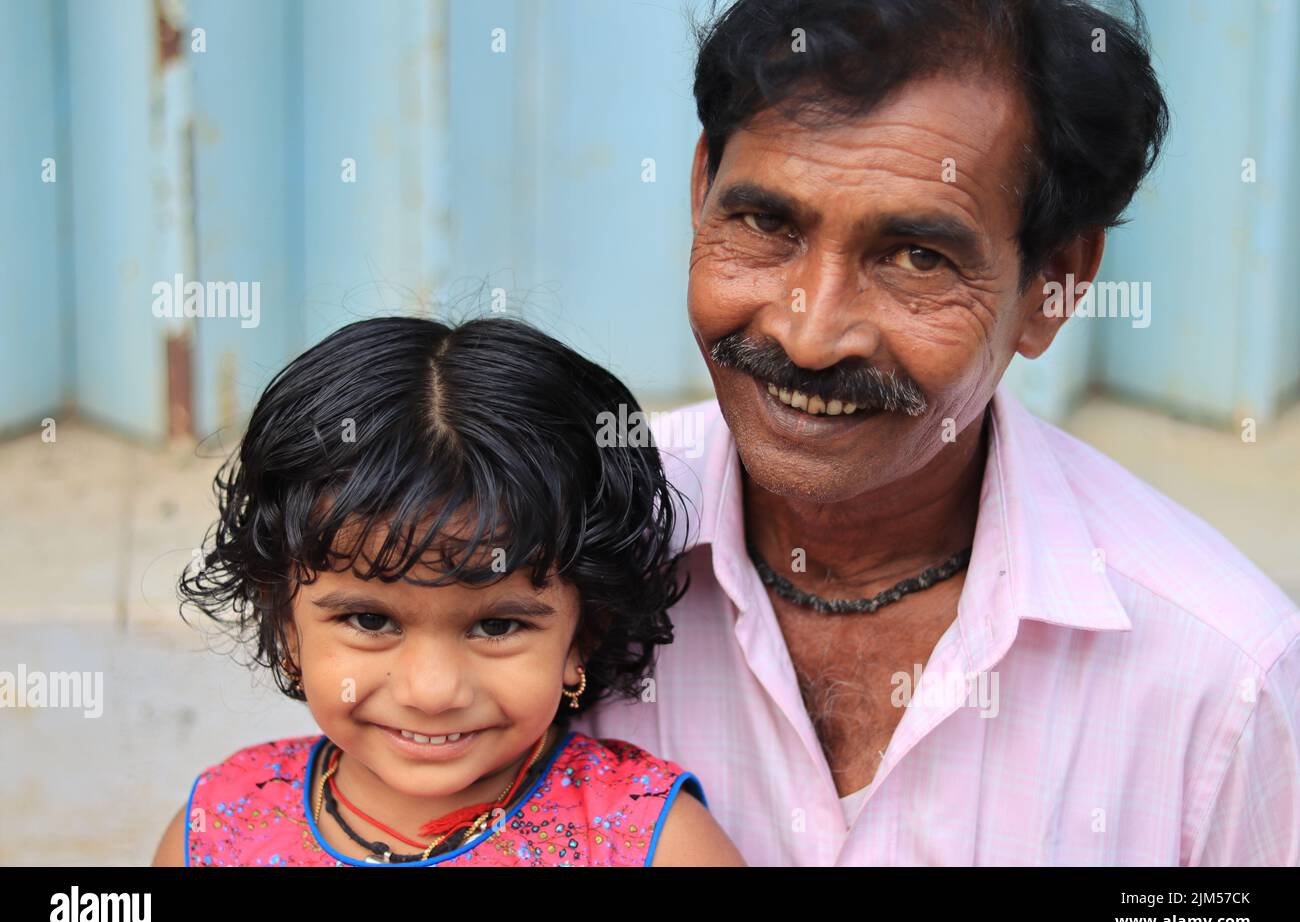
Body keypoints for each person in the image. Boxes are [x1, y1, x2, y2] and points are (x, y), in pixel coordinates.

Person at [568, 0, 1300, 865]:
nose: (809, 335)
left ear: (1052, 286)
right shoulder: (535, 545)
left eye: (916, 256)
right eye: (767, 223)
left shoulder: (1222, 680)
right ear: (701, 193)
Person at [150, 315, 745, 867]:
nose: (432, 692)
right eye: (371, 621)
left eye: (496, 626)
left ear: (581, 637)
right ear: (285, 621)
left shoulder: (646, 842)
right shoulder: (215, 833)